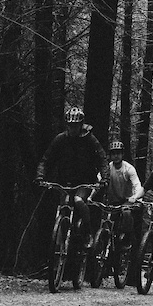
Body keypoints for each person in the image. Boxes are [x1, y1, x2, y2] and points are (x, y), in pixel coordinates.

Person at [36, 106, 109, 249]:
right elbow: (46, 159)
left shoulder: (89, 139)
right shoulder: (60, 139)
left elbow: (102, 159)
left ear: (80, 125)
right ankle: (60, 243)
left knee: (78, 201)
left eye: (75, 126)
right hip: (65, 181)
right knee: (63, 207)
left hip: (84, 182)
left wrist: (105, 178)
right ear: (67, 125)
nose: (73, 128)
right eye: (70, 125)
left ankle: (87, 232)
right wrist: (40, 176)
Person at [107, 140, 144, 246]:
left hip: (127, 201)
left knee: (126, 212)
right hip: (113, 201)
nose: (116, 156)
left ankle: (127, 238)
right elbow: (100, 180)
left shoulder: (128, 169)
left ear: (122, 154)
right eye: (113, 153)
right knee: (109, 223)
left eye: (118, 153)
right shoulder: (108, 168)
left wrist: (136, 197)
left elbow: (137, 185)